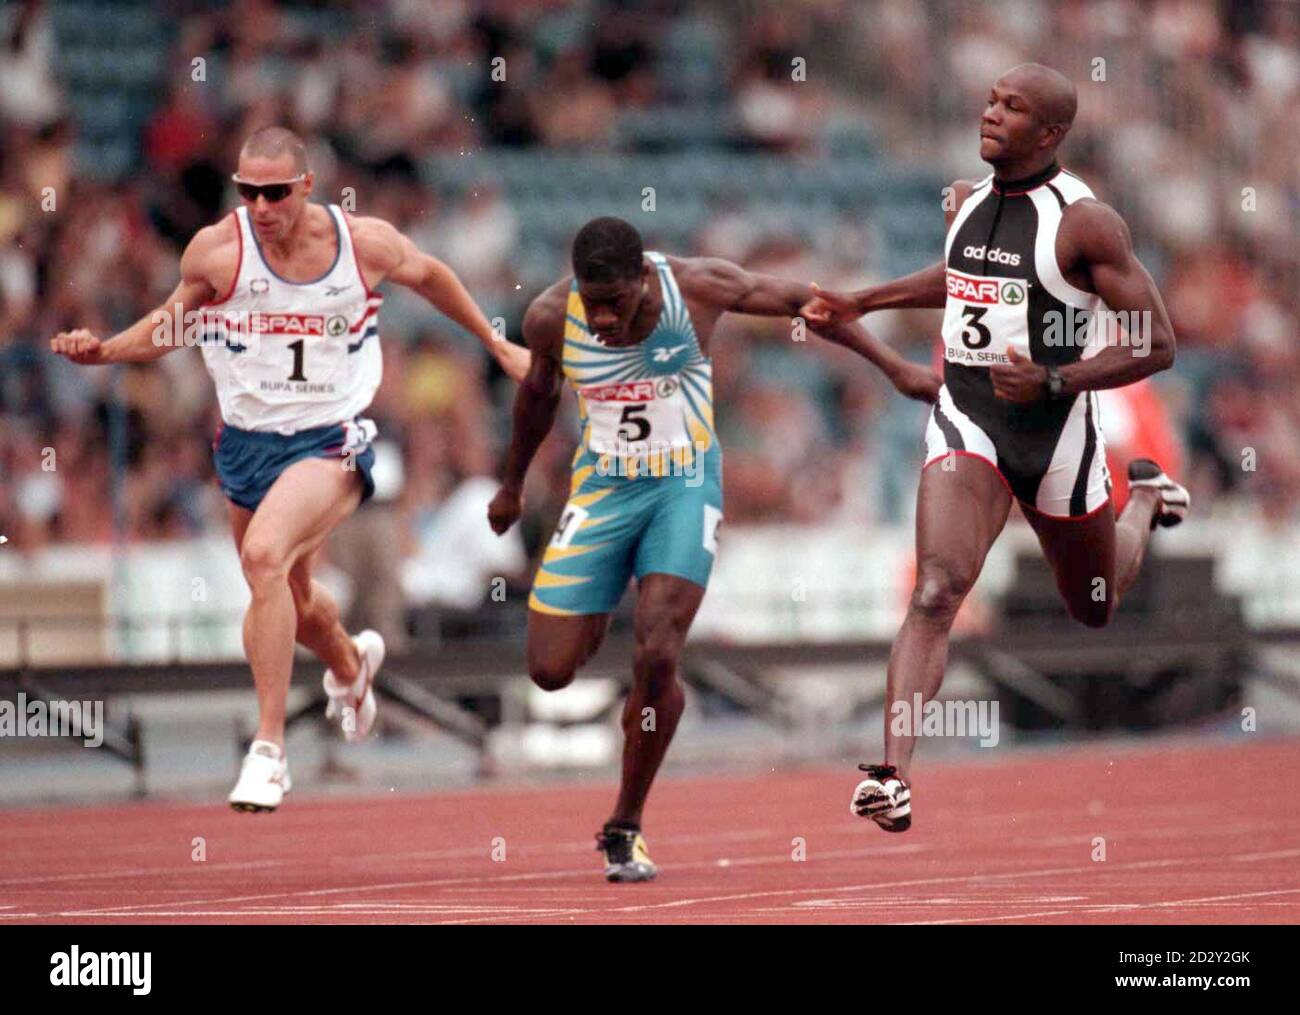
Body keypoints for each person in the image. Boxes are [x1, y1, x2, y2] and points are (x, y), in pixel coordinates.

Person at [50, 126, 528, 812]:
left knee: (264, 558)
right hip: (246, 445)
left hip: (329, 439)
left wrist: (497, 344)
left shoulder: (358, 243)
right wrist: (105, 352)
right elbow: (169, 322)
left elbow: (430, 274)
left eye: (275, 192)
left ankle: (269, 750)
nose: (262, 205)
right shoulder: (219, 250)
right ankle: (349, 663)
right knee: (297, 606)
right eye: (249, 192)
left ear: (306, 186)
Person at [488, 216, 939, 880]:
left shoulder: (697, 288)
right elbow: (536, 394)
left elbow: (807, 304)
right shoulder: (552, 315)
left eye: (615, 300)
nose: (604, 318)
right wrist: (511, 484)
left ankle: (625, 822)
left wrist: (895, 367)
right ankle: (652, 686)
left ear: (645, 278)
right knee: (550, 669)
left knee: (656, 646)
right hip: (604, 488)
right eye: (594, 302)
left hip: (683, 484)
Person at [803, 64, 1190, 833]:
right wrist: (866, 300)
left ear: (1049, 134)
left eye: (1012, 109)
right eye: (989, 100)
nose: (991, 115)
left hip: (1054, 436)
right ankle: (893, 775)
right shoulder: (964, 200)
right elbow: (963, 278)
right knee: (937, 589)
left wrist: (1055, 378)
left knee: (1095, 604)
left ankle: (1146, 498)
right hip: (967, 418)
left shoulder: (1087, 223)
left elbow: (1160, 343)